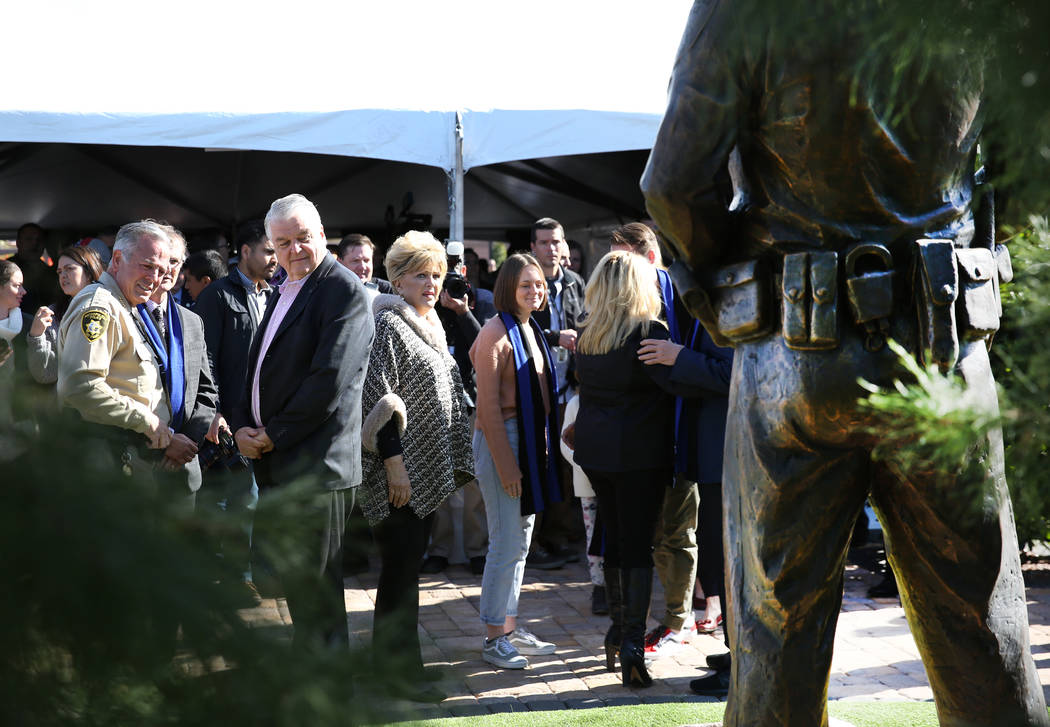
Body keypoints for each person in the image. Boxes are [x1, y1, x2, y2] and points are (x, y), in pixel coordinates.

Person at [641, 2, 1048, 724]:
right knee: (984, 634)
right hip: (941, 350)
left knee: (776, 641)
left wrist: (732, 290)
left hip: (795, 357)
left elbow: (673, 186)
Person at [232, 194, 373, 650]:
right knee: (299, 593)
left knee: (317, 597)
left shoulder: (342, 289)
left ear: (322, 233)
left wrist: (271, 434)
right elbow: (262, 370)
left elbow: (327, 381)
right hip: (283, 460)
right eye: (283, 242)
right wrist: (243, 426)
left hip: (316, 468)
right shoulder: (286, 286)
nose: (294, 250)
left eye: (303, 238)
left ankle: (326, 697)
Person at [572, 250, 709, 688]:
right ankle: (631, 643)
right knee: (636, 549)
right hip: (637, 456)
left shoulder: (588, 328)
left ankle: (617, 631)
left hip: (596, 452)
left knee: (614, 539)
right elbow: (677, 384)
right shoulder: (648, 331)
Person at [358, 230, 473, 700]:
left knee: (405, 575)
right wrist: (395, 467)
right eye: (419, 275)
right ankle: (396, 674)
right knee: (399, 576)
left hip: (422, 471)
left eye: (436, 274)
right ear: (398, 280)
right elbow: (378, 399)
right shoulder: (389, 324)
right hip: (399, 473)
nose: (430, 283)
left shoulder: (431, 323)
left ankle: (399, 666)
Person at [471, 253, 562, 670]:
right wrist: (508, 468)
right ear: (509, 288)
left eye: (539, 283)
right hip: (501, 443)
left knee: (519, 542)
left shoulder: (528, 328)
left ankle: (508, 626)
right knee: (505, 543)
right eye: (526, 285)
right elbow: (488, 410)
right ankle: (494, 638)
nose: (535, 291)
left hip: (526, 442)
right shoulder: (494, 333)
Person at [56, 221, 173, 480]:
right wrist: (147, 420)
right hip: (106, 460)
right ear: (117, 259)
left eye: (161, 271)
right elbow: (79, 386)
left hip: (125, 459)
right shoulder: (99, 306)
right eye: (147, 266)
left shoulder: (124, 304)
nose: (155, 279)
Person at [193, 220, 275, 579]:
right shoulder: (217, 295)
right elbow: (204, 357)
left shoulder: (276, 294)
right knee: (241, 497)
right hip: (230, 417)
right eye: (269, 251)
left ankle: (259, 574)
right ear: (245, 252)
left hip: (269, 417)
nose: (276, 259)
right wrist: (212, 411)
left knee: (262, 498)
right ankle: (235, 577)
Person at [138, 226, 218, 503]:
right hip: (136, 464)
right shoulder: (123, 314)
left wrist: (184, 442)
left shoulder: (192, 321)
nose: (168, 269)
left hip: (182, 467)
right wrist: (163, 443)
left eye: (175, 261)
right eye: (162, 260)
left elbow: (207, 391)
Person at [527, 217, 586, 569]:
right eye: (546, 242)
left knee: (566, 464)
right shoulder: (526, 281)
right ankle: (532, 543)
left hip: (569, 388)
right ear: (533, 247)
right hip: (533, 389)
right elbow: (518, 326)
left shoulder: (576, 283)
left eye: (557, 242)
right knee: (535, 464)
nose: (553, 248)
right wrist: (554, 338)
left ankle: (559, 538)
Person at [24, 246, 105, 385]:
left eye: (69, 269)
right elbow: (45, 374)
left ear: (89, 271)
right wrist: (36, 336)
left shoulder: (112, 305)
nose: (63, 275)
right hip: (71, 399)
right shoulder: (53, 314)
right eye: (60, 271)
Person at [10, 223, 59, 315]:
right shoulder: (5, 270)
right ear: (18, 243)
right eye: (29, 239)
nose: (35, 243)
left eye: (39, 240)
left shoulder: (54, 272)